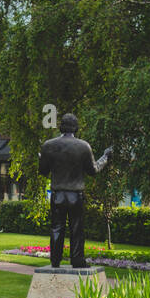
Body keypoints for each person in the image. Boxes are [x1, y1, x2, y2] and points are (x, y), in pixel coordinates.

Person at [38, 113, 111, 267]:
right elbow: (93, 170)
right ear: (76, 128)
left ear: (61, 126)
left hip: (57, 194)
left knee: (56, 228)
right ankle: (77, 260)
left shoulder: (48, 145)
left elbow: (43, 171)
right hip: (75, 195)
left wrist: (41, 158)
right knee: (76, 229)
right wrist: (105, 157)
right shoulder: (83, 146)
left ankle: (55, 260)